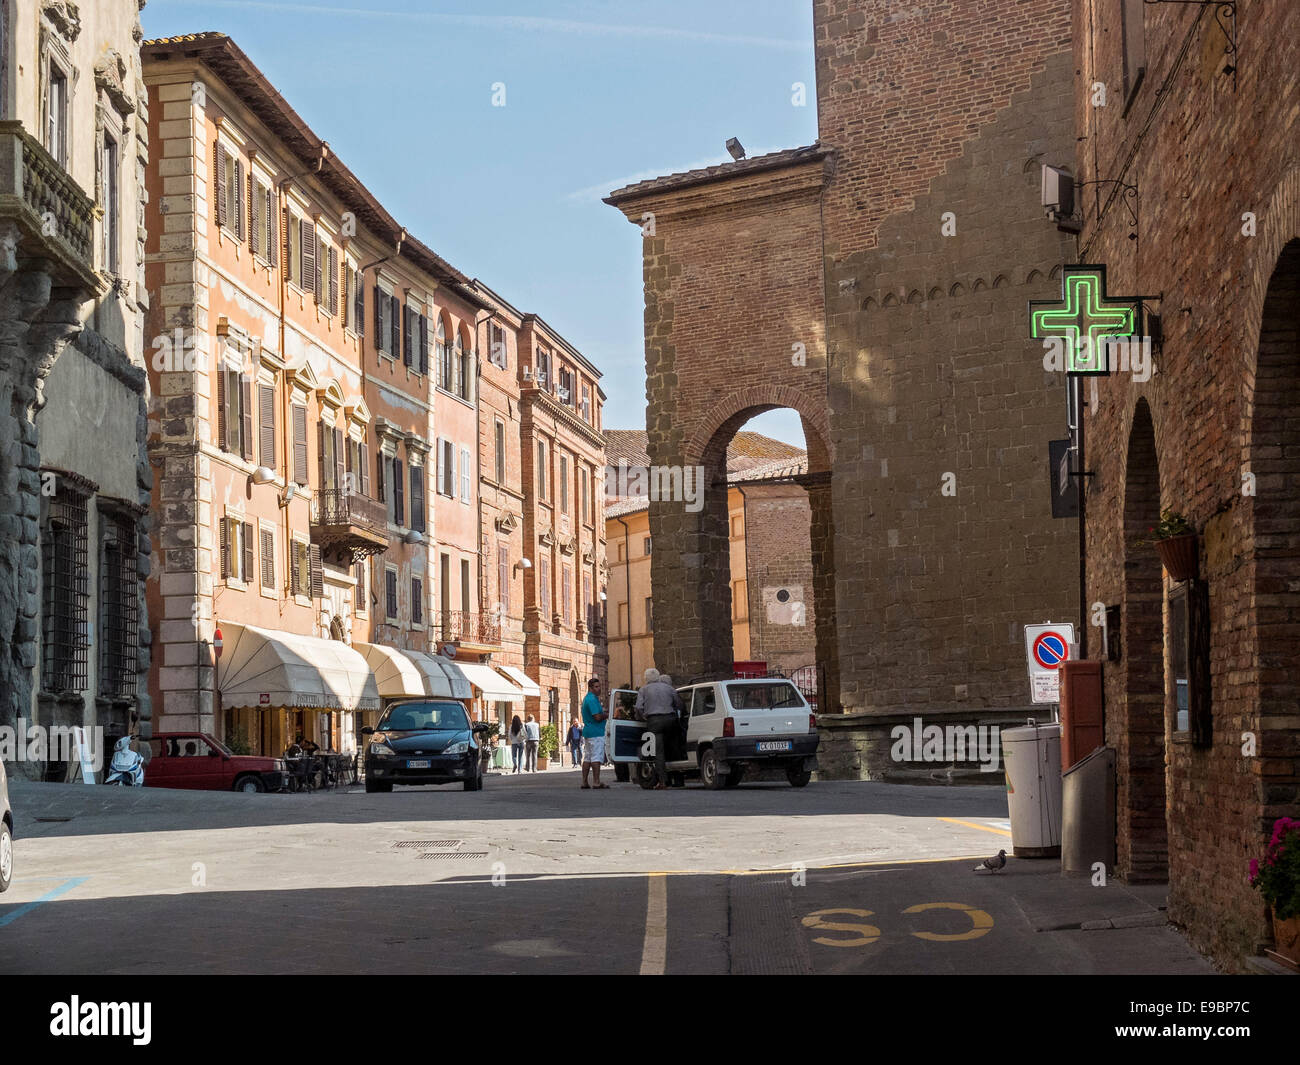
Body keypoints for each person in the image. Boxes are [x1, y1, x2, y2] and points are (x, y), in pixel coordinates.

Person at [635, 668, 681, 790]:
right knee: (673, 747)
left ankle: (663, 782)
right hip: (671, 720)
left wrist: (643, 717)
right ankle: (678, 779)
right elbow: (678, 704)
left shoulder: (643, 690)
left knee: (659, 752)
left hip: (654, 721)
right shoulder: (669, 688)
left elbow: (639, 707)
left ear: (646, 678)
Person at [580, 677, 609, 788]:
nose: (599, 689)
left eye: (599, 686)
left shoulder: (588, 698)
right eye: (596, 687)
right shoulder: (592, 699)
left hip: (588, 731)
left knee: (587, 757)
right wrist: (607, 715)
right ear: (590, 688)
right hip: (596, 732)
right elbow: (597, 717)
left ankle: (584, 782)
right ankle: (596, 781)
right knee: (596, 757)